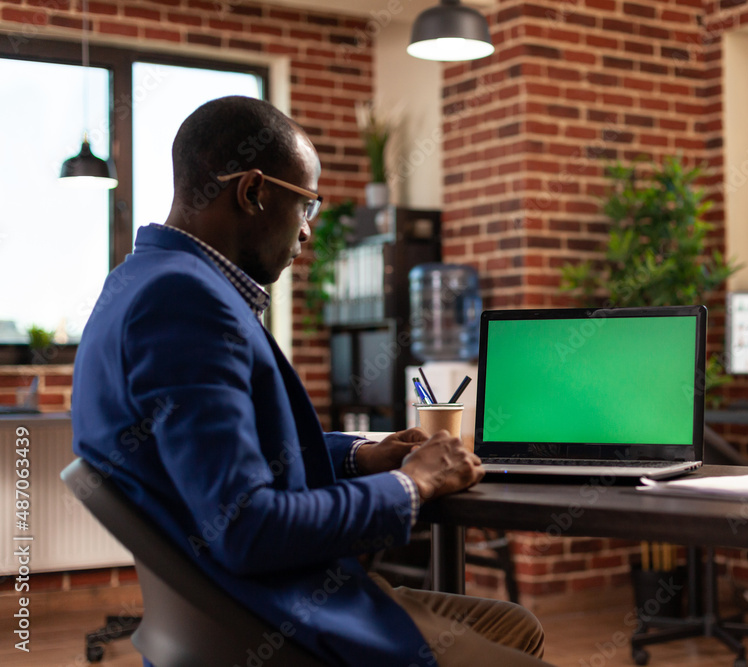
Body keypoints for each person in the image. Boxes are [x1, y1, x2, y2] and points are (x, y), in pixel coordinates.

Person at [71, 95, 548, 667]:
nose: (307, 235)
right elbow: (249, 527)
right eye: (308, 207)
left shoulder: (142, 279)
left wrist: (362, 456)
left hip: (247, 602)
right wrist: (411, 487)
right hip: (274, 618)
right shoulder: (185, 302)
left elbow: (220, 456)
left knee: (515, 624)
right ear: (253, 192)